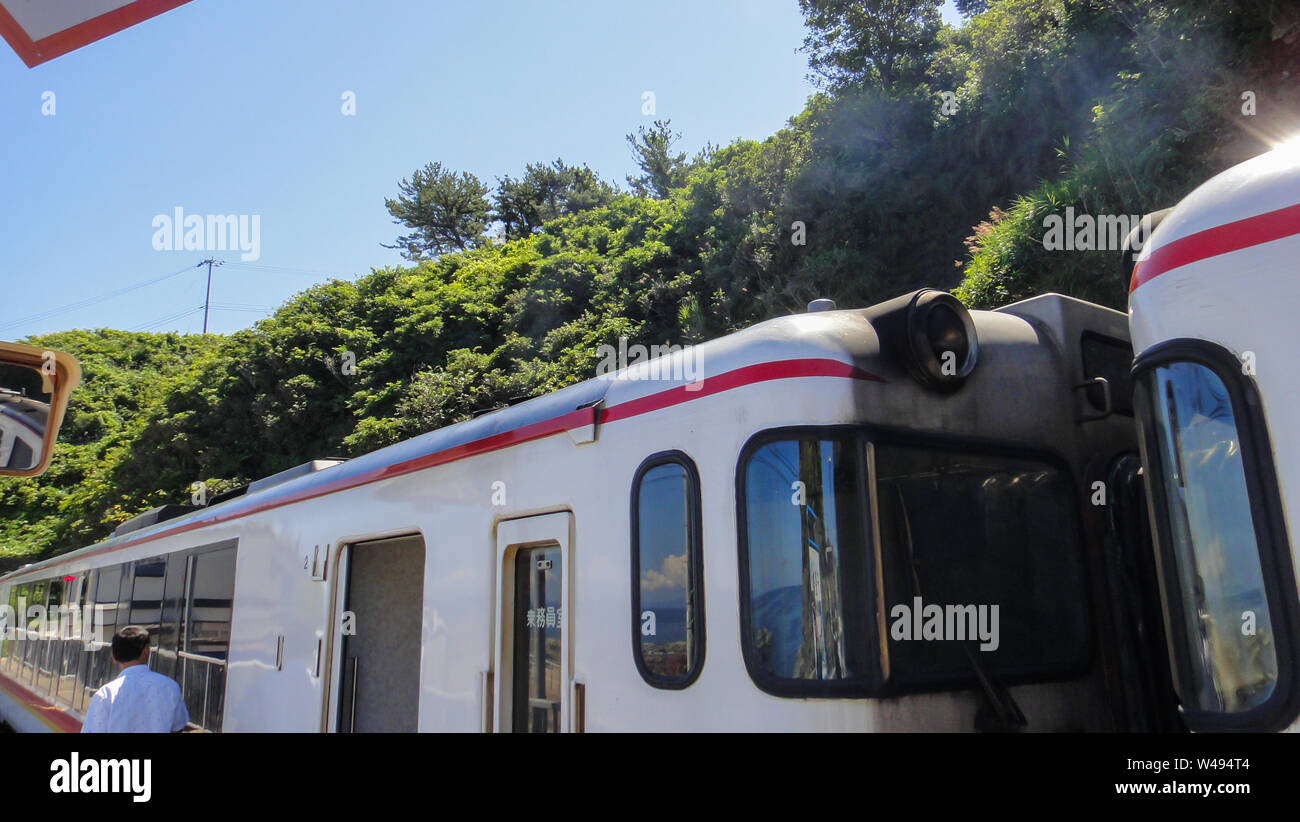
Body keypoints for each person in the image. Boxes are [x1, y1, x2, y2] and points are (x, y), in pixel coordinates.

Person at [80, 625, 189, 733]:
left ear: (113, 657)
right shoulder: (169, 687)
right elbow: (178, 728)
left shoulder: (105, 694)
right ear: (146, 651)